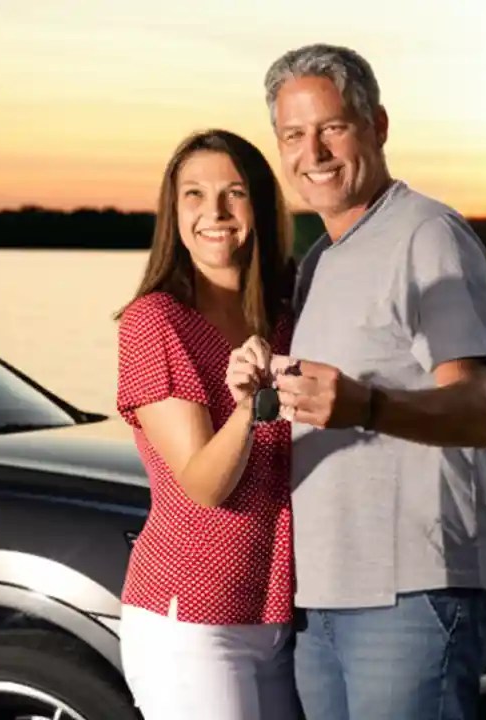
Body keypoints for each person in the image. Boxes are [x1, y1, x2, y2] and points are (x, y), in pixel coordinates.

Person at [260, 43, 486, 720]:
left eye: (332, 127)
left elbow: (476, 409)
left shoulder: (428, 235)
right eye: (293, 135)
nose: (314, 152)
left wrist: (366, 405)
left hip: (412, 595)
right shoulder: (319, 261)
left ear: (378, 125)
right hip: (321, 597)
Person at [112, 128, 300, 720]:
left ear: (262, 207)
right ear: (174, 213)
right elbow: (203, 486)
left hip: (280, 615)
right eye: (193, 195)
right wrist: (248, 405)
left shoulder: (288, 318)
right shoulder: (155, 324)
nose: (213, 213)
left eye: (233, 193)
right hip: (192, 620)